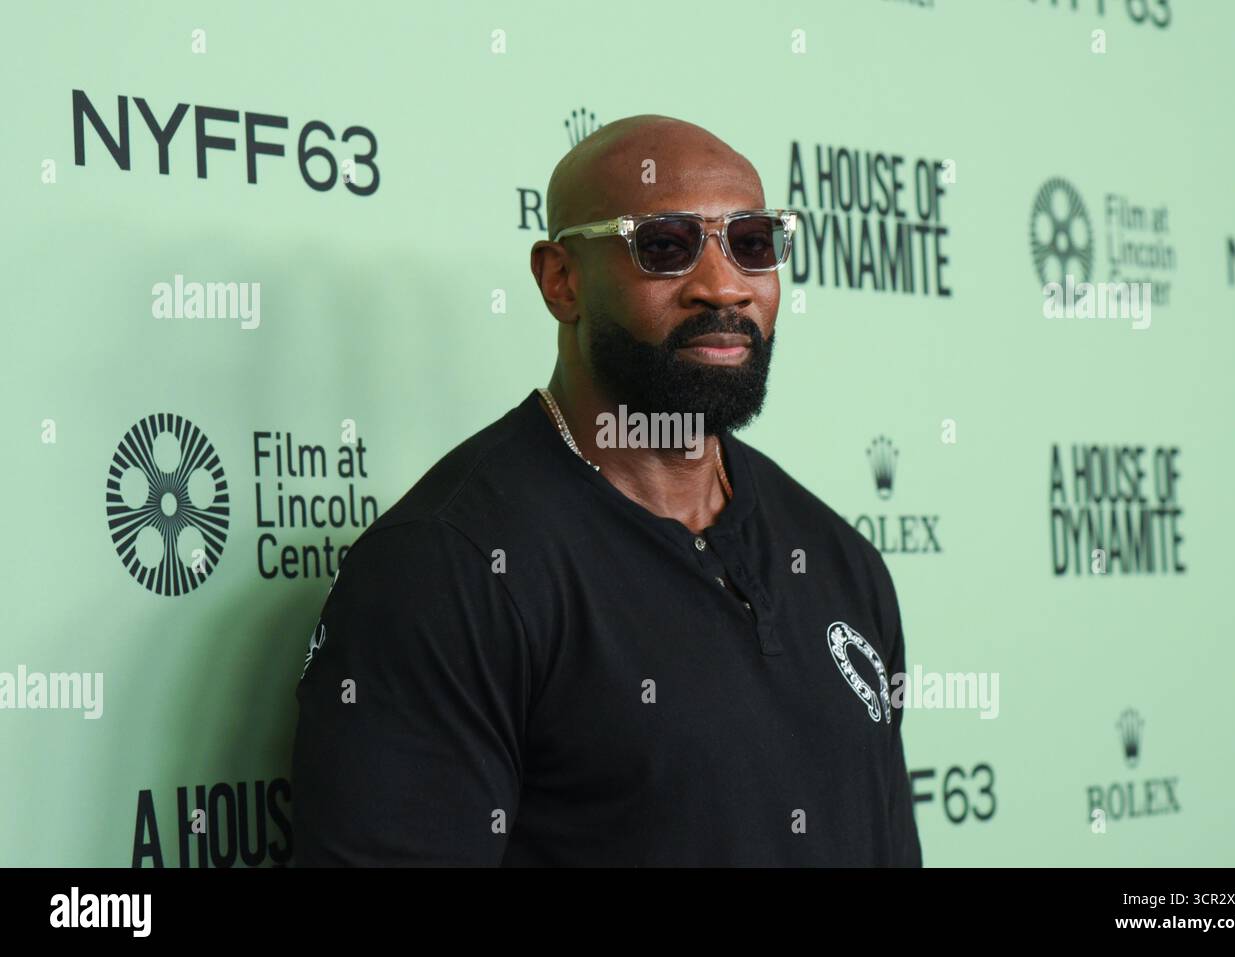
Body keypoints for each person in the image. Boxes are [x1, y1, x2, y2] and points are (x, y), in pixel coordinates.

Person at [291, 114, 922, 866]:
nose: (723, 285)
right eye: (665, 246)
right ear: (562, 280)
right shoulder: (446, 570)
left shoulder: (839, 557)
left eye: (752, 243)